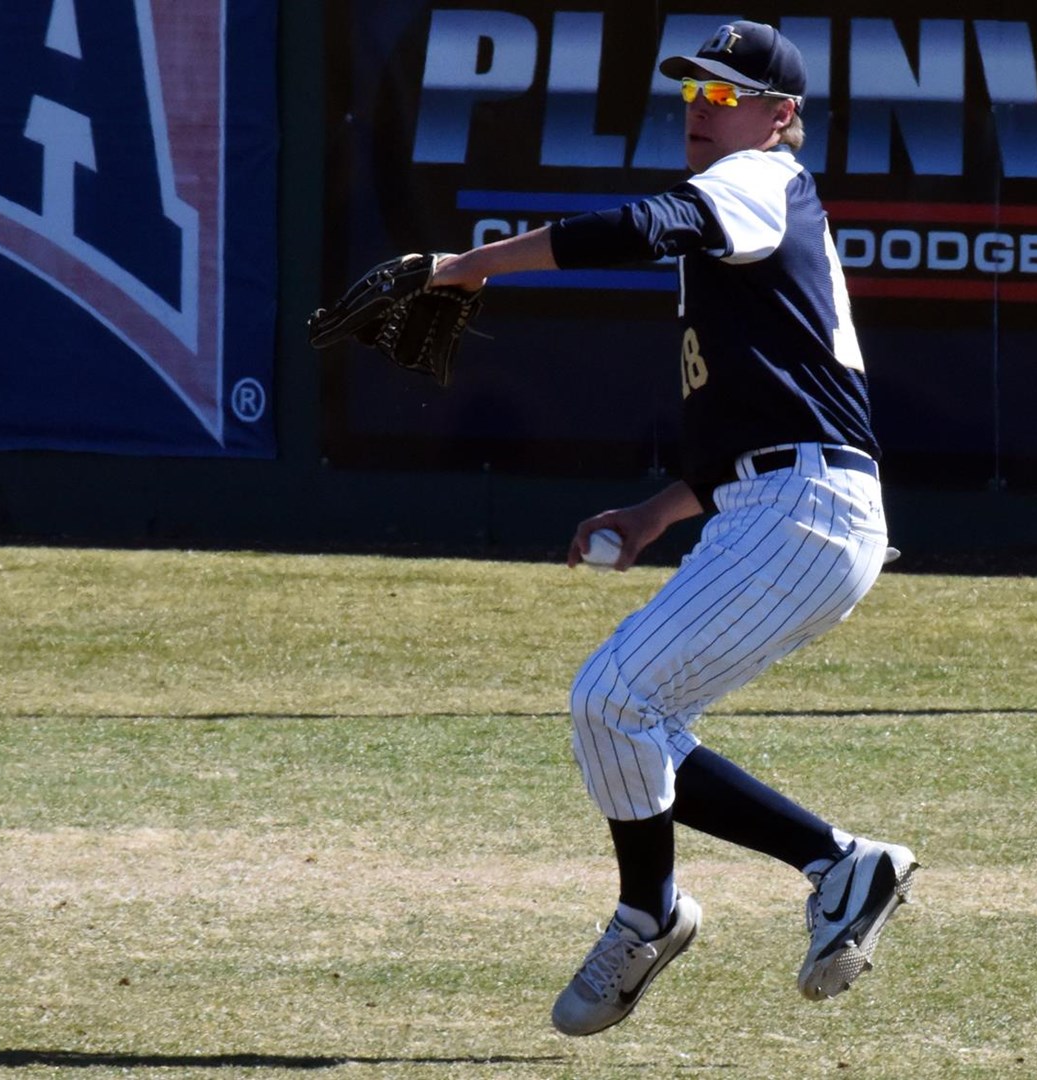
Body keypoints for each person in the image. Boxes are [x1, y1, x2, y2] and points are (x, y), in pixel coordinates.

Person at [427, 20, 918, 1036]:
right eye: (692, 97)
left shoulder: (761, 181)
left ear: (782, 118)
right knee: (625, 715)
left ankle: (733, 890)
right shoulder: (748, 213)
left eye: (724, 96)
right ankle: (774, 879)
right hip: (775, 505)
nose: (701, 113)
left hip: (804, 514)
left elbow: (639, 227)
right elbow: (775, 413)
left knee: (613, 699)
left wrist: (464, 266)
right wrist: (660, 510)